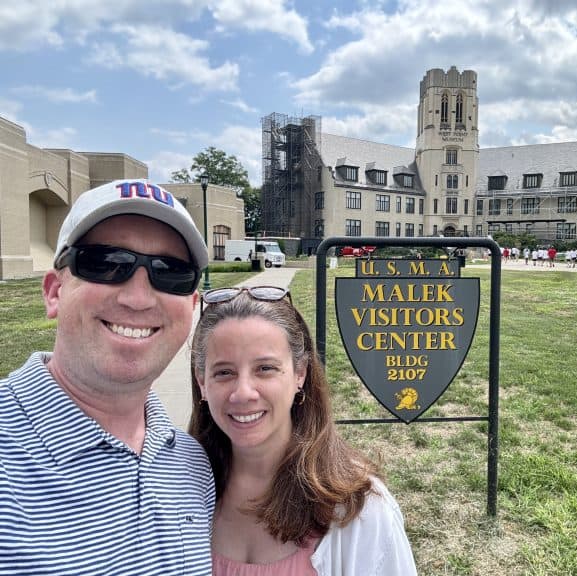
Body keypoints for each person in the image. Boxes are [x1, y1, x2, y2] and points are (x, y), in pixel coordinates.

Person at [0, 179, 215, 574]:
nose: (138, 297)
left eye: (170, 272)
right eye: (106, 263)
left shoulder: (192, 465)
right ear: (54, 292)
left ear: (191, 306)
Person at [188, 286, 418, 575]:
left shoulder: (360, 510)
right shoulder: (176, 491)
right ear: (202, 382)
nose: (243, 392)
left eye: (265, 368)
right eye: (224, 372)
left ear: (301, 373)